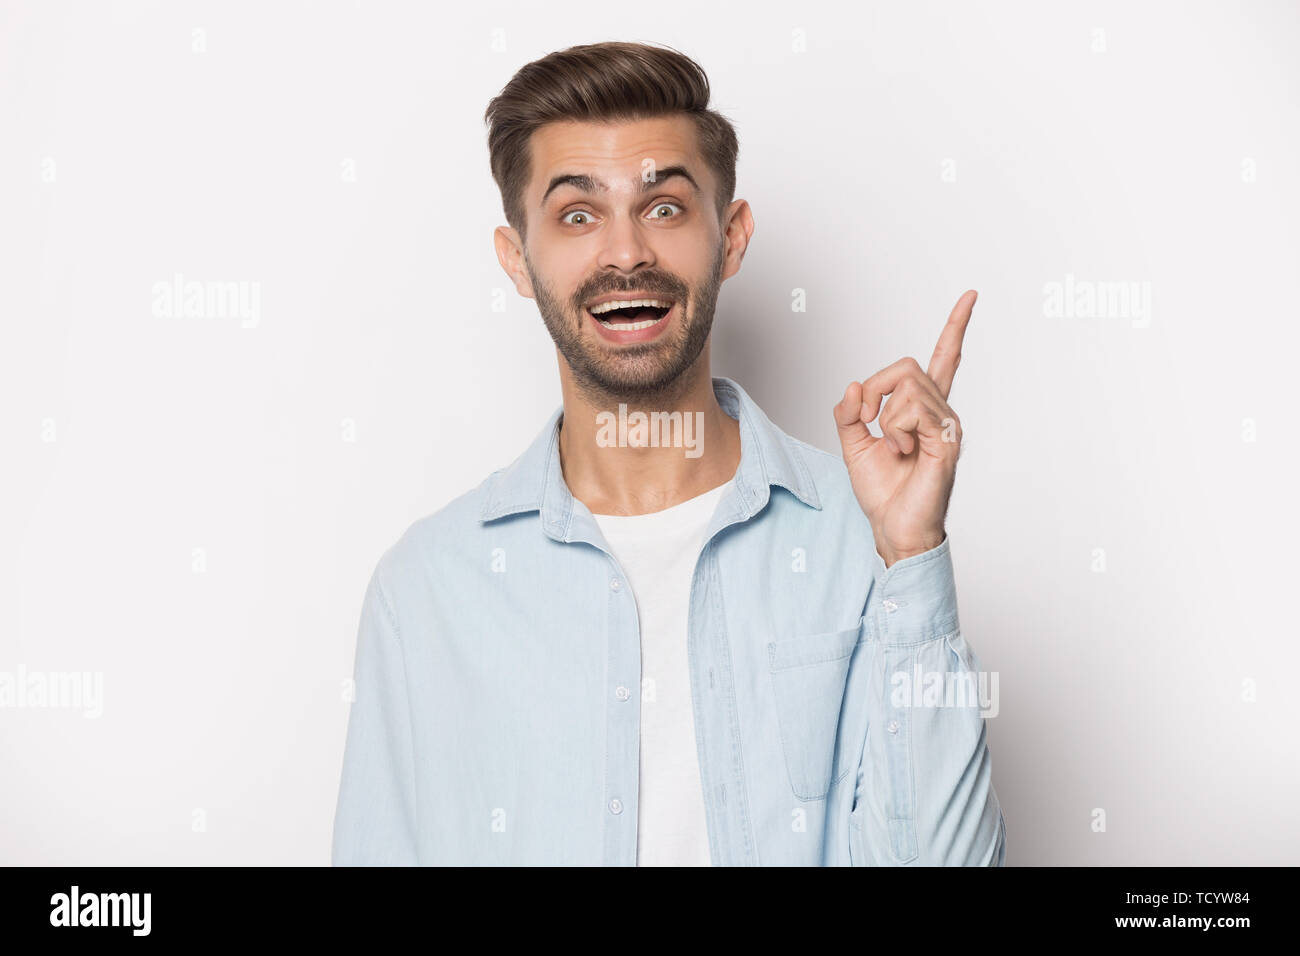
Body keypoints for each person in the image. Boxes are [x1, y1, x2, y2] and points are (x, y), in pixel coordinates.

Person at [331, 40, 1006, 866]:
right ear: (518, 258)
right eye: (578, 214)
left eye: (664, 208)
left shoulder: (864, 545)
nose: (626, 253)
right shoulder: (427, 592)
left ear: (731, 237)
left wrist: (910, 555)